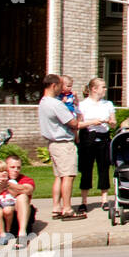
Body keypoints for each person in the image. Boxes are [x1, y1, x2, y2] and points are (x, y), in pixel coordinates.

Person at [38, 73, 83, 220]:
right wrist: (90, 121)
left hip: (52, 143)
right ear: (53, 86)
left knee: (58, 176)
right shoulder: (56, 104)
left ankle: (56, 207)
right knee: (68, 176)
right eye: (60, 85)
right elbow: (73, 123)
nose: (62, 88)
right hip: (63, 144)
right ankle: (67, 209)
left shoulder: (43, 102)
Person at [75, 77, 116, 214]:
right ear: (94, 89)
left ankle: (104, 199)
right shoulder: (83, 105)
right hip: (88, 137)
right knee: (86, 169)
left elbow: (114, 121)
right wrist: (93, 122)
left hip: (103, 137)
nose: (105, 89)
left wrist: (110, 122)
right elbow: (78, 124)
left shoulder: (108, 104)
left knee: (104, 167)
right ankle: (84, 201)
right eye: (103, 87)